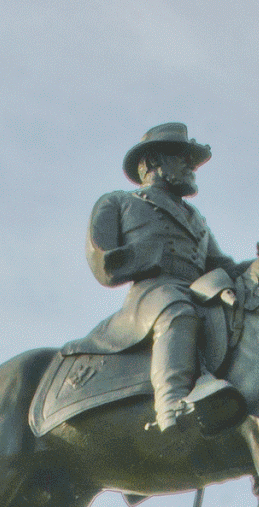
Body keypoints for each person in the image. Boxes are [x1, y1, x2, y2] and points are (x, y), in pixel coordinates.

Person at [63, 123, 248, 431]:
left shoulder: (196, 218)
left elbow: (220, 263)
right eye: (182, 157)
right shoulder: (120, 202)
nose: (191, 166)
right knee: (176, 309)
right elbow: (103, 260)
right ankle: (170, 407)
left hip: (198, 292)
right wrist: (151, 254)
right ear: (153, 163)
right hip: (152, 295)